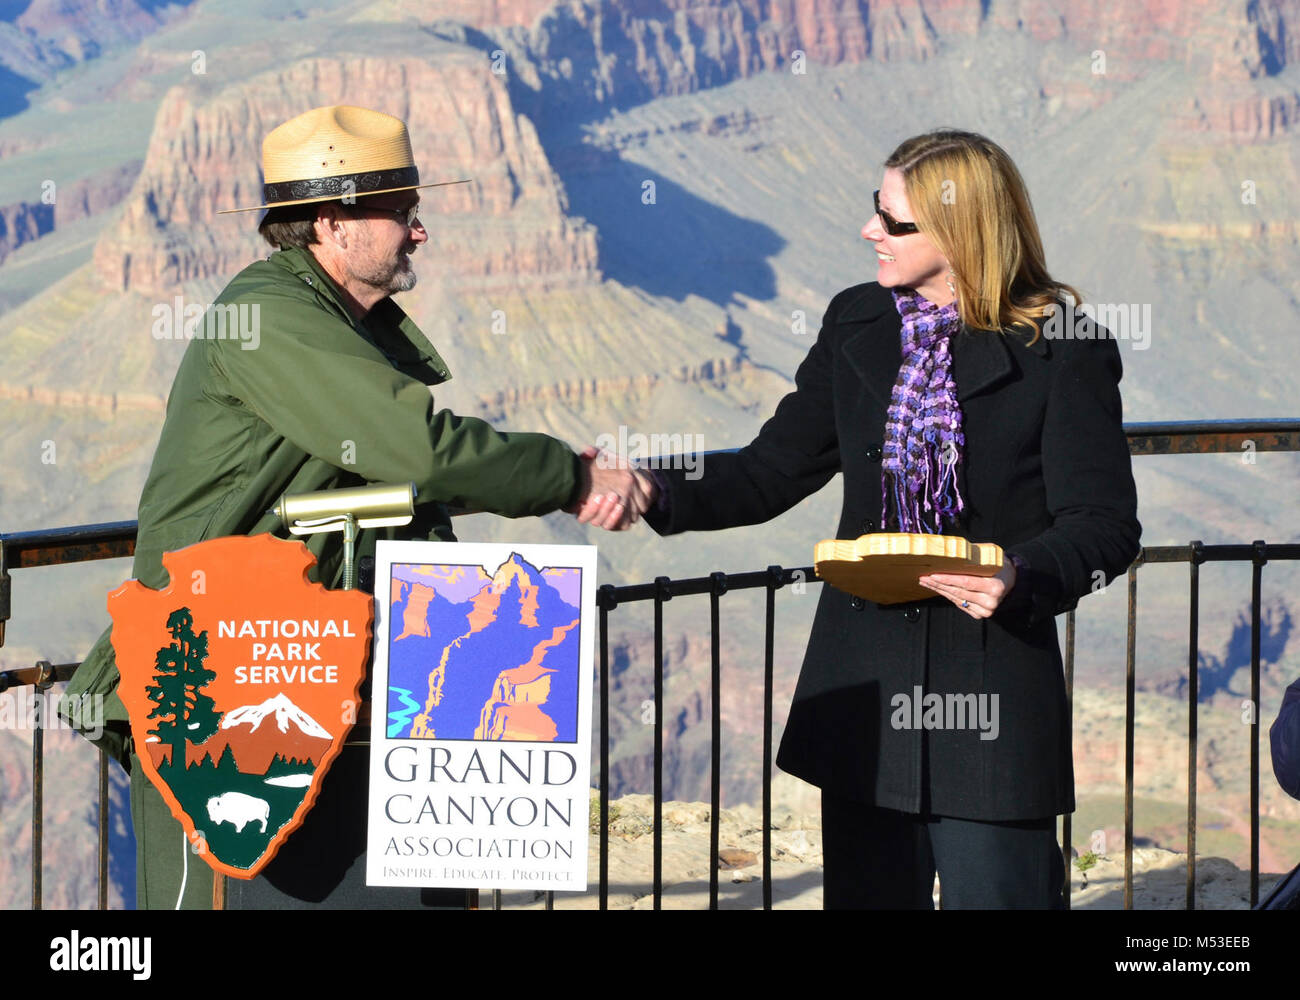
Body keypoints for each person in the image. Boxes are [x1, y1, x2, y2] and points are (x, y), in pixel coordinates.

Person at [64, 105, 651, 909]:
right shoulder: (270, 318)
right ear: (335, 225)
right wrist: (570, 478)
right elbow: (419, 446)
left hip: (316, 662)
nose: (420, 233)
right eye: (402, 213)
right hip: (223, 678)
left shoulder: (337, 318)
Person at [602, 129, 1142, 908]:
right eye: (874, 210)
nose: (869, 233)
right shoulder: (858, 323)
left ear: (961, 233)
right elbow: (767, 470)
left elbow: (1104, 524)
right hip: (865, 699)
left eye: (894, 221)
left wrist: (1019, 576)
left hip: (991, 702)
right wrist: (652, 486)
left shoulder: (1064, 350)